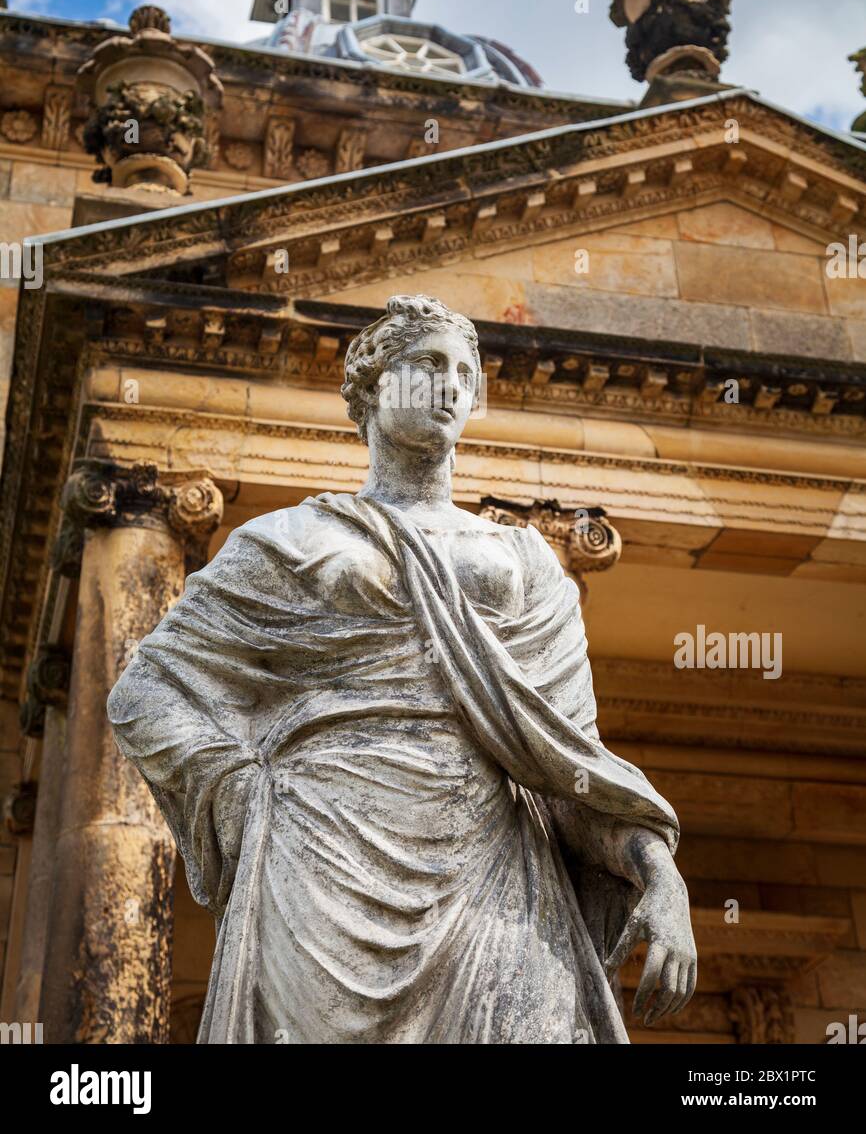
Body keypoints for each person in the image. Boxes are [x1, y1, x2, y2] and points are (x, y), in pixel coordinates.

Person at [107, 293, 696, 1043]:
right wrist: (245, 790)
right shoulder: (287, 539)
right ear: (371, 387)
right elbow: (145, 693)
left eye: (464, 371)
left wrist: (658, 873)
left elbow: (571, 766)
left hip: (495, 868)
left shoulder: (525, 563)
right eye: (427, 365)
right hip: (325, 861)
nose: (451, 385)